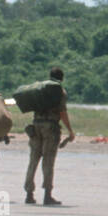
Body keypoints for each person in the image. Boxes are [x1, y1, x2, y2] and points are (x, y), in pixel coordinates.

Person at [24, 67, 75, 206]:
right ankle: (47, 195)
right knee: (48, 162)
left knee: (33, 161)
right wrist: (70, 130)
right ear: (61, 78)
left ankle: (29, 194)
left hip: (36, 126)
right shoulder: (60, 92)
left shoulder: (39, 89)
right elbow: (63, 113)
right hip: (51, 128)